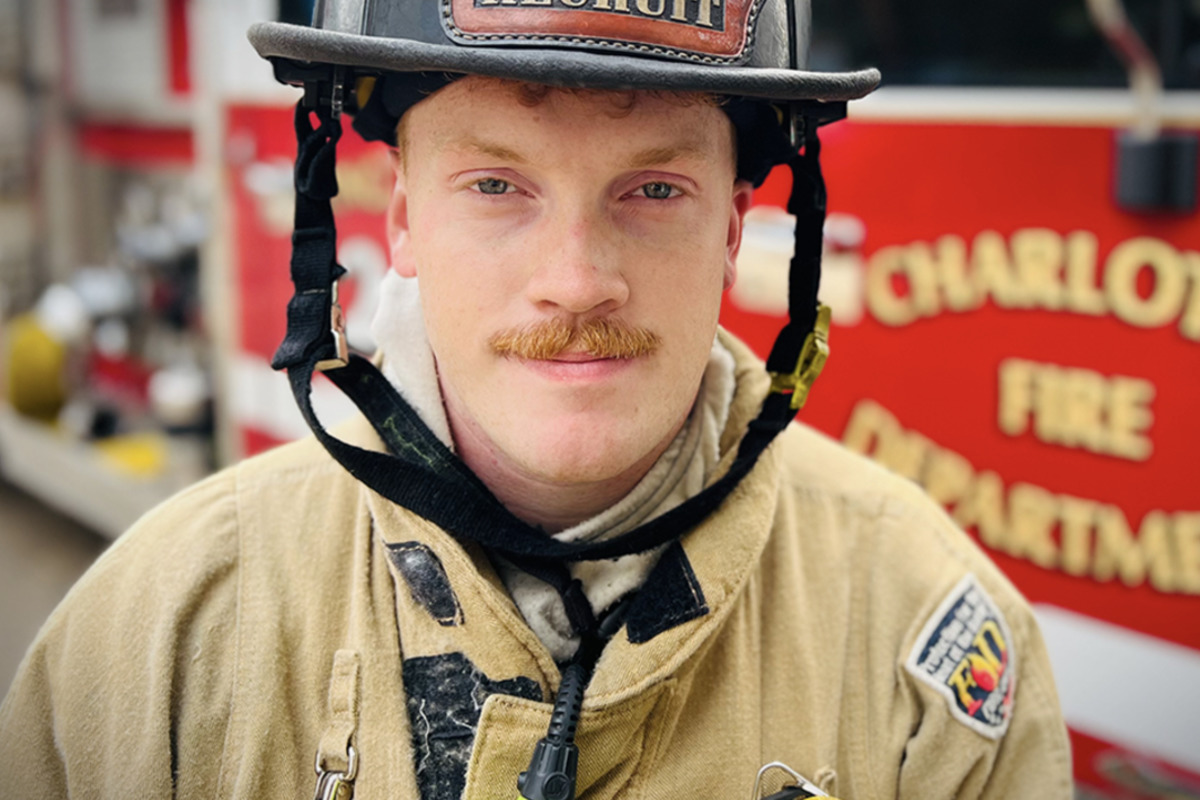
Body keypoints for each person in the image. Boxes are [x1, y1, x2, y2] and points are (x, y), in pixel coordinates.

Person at [0, 1, 1073, 797]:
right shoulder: (163, 630)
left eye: (654, 189)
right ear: (402, 217)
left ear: (737, 230)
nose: (577, 275)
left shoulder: (923, 649)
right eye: (498, 185)